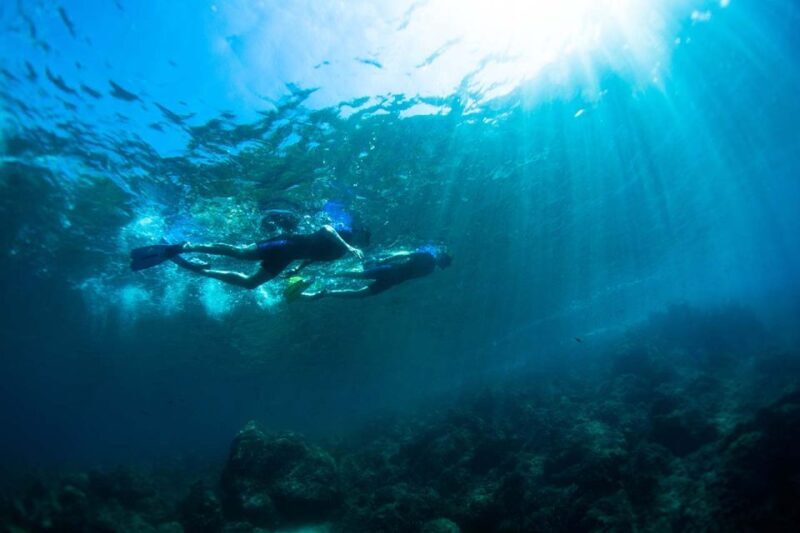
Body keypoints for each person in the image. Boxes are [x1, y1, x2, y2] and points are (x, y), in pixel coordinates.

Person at [130, 224, 369, 290]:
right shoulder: (343, 237)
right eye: (359, 238)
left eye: (360, 240)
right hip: (287, 242)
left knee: (251, 284)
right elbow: (326, 228)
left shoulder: (340, 252)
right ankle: (186, 246)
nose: (358, 242)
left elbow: (312, 258)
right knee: (241, 253)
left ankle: (199, 270)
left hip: (287, 258)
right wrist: (348, 245)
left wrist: (297, 271)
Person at [292, 245, 451, 300]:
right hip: (393, 280)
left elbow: (404, 255)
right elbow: (409, 278)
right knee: (360, 293)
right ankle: (327, 292)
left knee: (358, 276)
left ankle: (326, 275)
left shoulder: (427, 256)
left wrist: (385, 260)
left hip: (390, 271)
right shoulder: (429, 270)